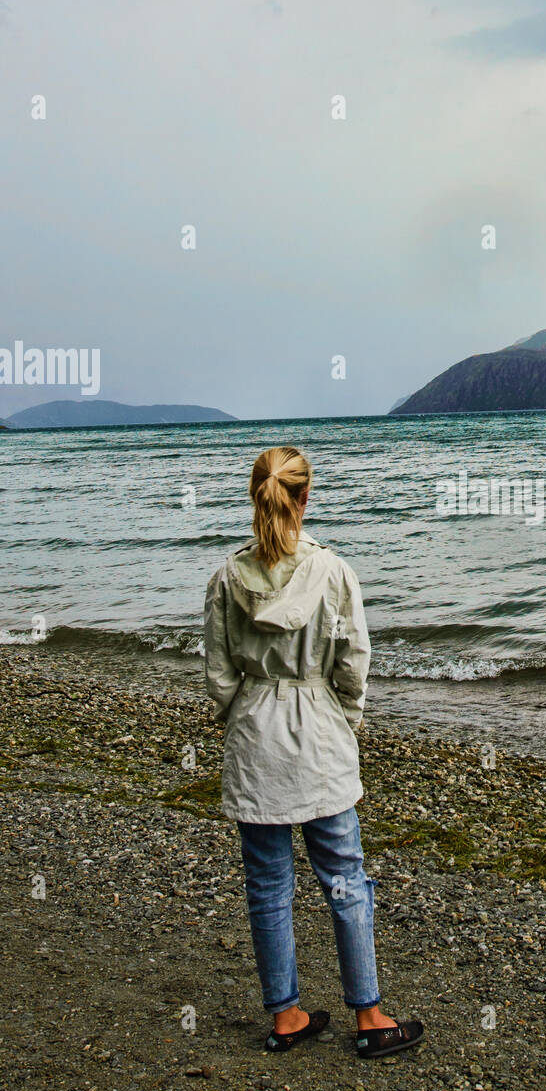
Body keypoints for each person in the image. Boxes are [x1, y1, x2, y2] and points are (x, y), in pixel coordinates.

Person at [204, 445, 423, 1058]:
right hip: (318, 728)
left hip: (255, 733)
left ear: (257, 495)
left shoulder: (226, 577)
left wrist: (243, 719)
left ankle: (286, 1016)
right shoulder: (333, 571)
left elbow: (219, 675)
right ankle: (371, 1018)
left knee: (267, 884)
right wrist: (343, 723)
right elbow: (353, 664)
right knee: (346, 879)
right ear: (305, 498)